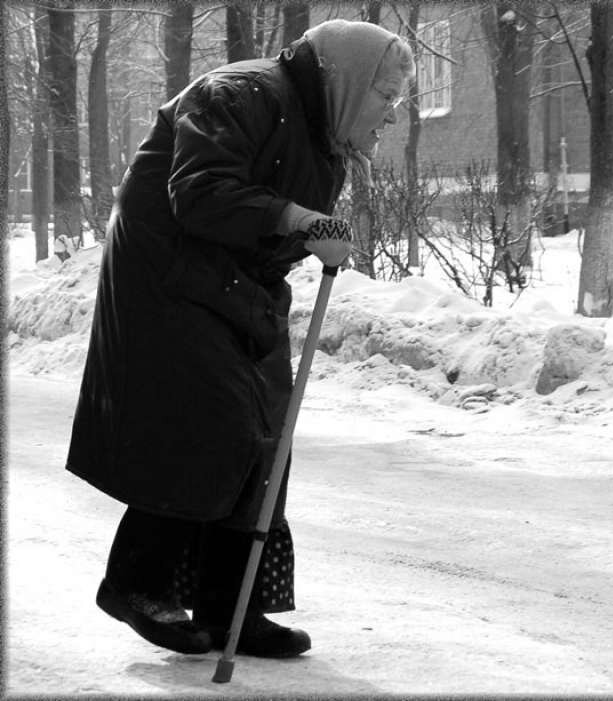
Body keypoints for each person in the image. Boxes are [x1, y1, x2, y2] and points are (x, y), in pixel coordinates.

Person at [66, 19, 415, 658]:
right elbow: (198, 193)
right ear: (349, 80)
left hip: (243, 290)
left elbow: (278, 224)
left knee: (263, 440)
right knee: (210, 425)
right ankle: (136, 584)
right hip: (169, 284)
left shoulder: (323, 132)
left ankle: (234, 609)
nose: (390, 115)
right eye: (385, 97)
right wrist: (299, 219)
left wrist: (310, 236)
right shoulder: (238, 94)